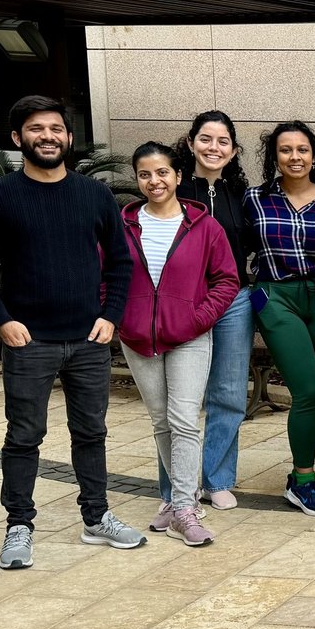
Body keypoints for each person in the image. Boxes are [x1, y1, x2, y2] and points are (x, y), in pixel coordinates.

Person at [0, 95, 143, 570]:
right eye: (36, 129)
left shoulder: (93, 195)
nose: (47, 136)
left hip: (88, 341)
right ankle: (18, 526)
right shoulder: (1, 195)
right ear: (17, 139)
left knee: (91, 431)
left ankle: (96, 516)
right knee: (24, 435)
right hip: (28, 341)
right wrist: (3, 319)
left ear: (68, 137)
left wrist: (110, 315)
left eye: (56, 128)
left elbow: (120, 261)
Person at [118, 143, 240, 547]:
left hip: (188, 336)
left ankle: (185, 507)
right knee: (160, 422)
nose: (155, 181)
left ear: (177, 176)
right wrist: (119, 317)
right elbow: (107, 275)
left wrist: (198, 319)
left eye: (162, 173)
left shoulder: (204, 226)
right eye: (145, 175)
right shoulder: (124, 225)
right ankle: (173, 503)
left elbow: (226, 280)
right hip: (138, 338)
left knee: (185, 418)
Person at [245, 120, 315, 516]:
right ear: (274, 157)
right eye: (286, 150)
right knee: (307, 390)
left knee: (314, 390)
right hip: (276, 296)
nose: (295, 157)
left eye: (302, 150)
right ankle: (304, 480)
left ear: (314, 156)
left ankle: (299, 473)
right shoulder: (254, 198)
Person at [172, 110, 252, 511]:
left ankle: (217, 478)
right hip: (185, 301)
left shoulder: (242, 195)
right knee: (182, 400)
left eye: (223, 142)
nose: (213, 148)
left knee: (229, 393)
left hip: (233, 302)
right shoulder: (174, 188)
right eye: (205, 139)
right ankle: (177, 486)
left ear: (234, 150)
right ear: (190, 143)